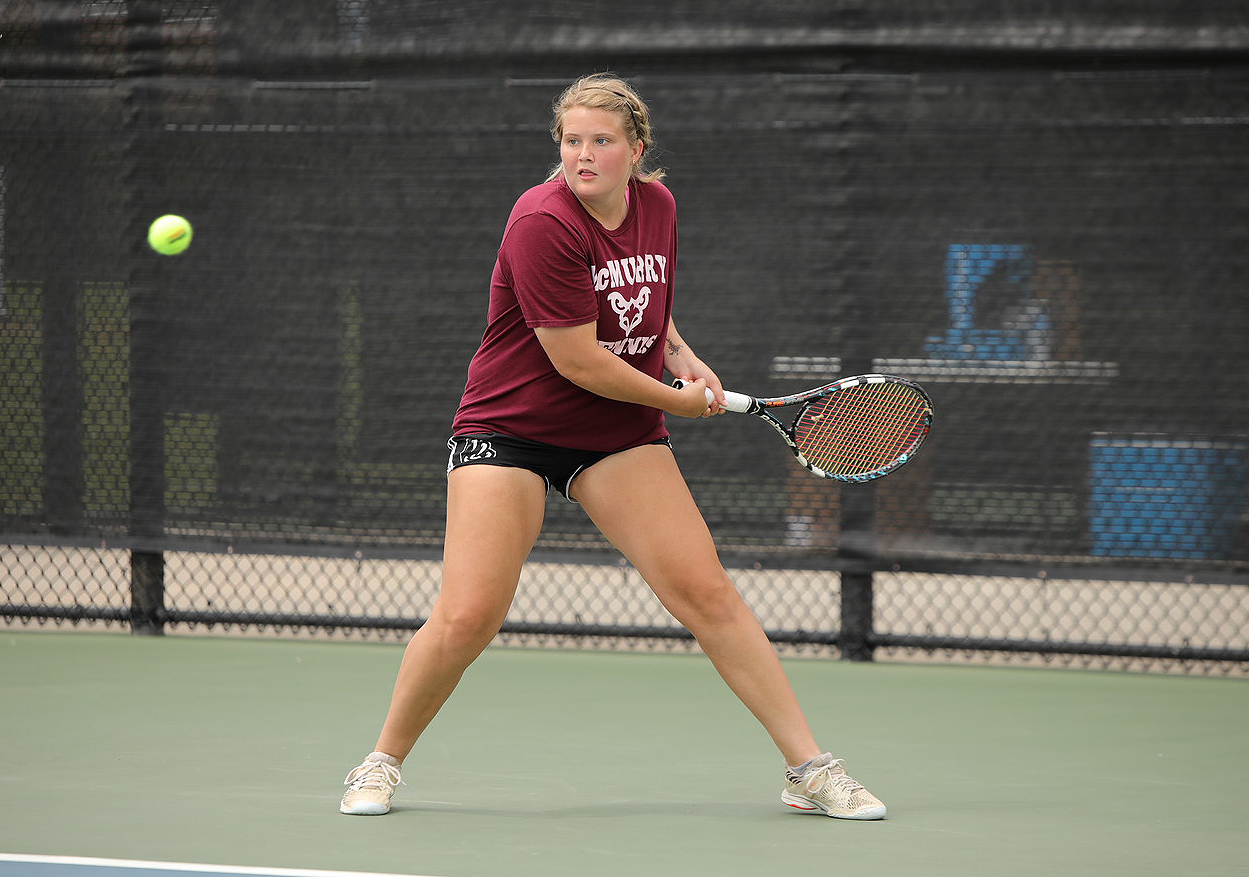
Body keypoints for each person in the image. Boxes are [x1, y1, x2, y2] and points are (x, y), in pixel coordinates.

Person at [339, 73, 885, 821]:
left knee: (707, 593)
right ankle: (380, 761)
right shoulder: (541, 221)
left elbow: (646, 308)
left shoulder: (658, 207)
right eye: (572, 141)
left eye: (601, 140)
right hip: (510, 429)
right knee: (469, 614)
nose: (583, 155)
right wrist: (676, 400)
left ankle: (809, 770)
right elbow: (579, 361)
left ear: (636, 148)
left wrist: (683, 357)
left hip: (613, 434)